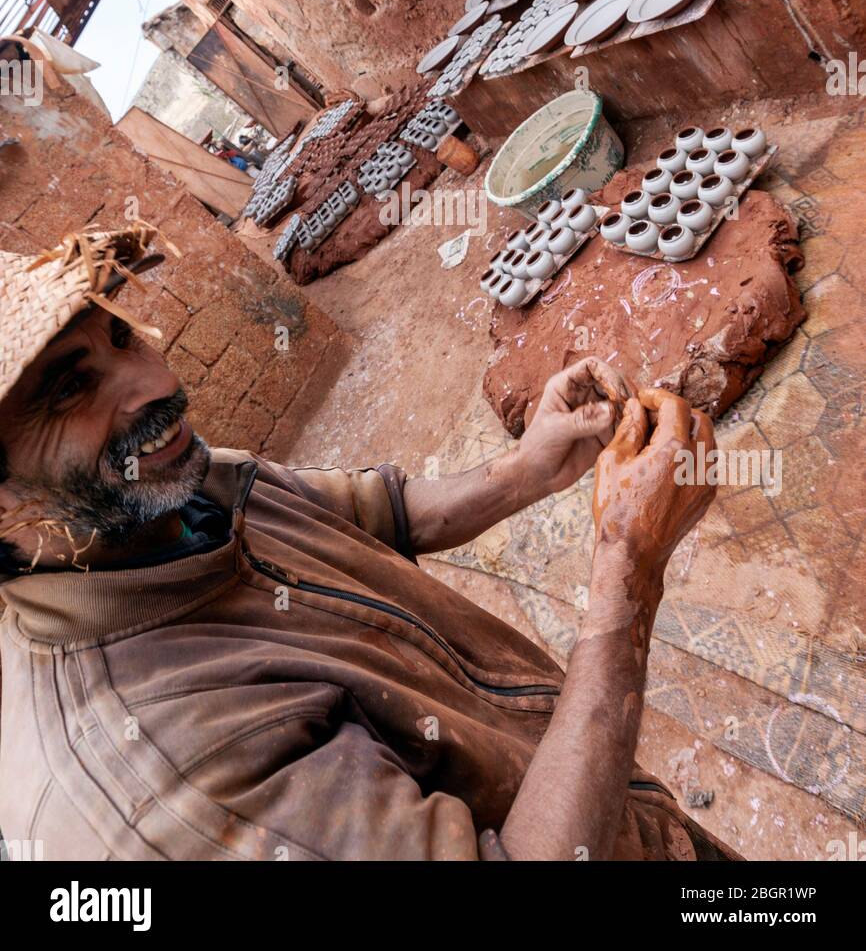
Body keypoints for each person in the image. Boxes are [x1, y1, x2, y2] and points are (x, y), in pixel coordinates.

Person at [0, 223, 739, 861]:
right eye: (69, 390)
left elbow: (382, 514)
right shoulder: (164, 773)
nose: (155, 380)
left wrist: (529, 468)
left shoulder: (187, 489)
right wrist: (628, 572)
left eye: (123, 335)